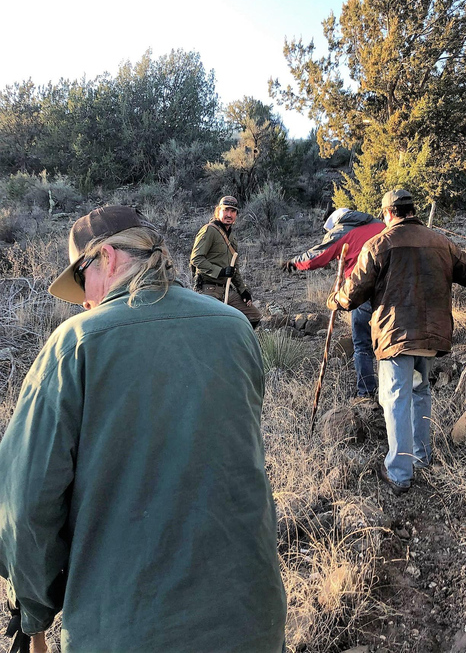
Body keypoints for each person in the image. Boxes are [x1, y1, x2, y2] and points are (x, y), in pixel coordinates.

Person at [0, 205, 286, 653]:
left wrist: (33, 613)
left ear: (108, 258)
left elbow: (24, 505)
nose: (84, 300)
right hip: (253, 621)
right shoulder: (235, 328)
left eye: (81, 279)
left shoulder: (75, 344)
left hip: (125, 631)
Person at [327, 189, 466, 496]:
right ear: (412, 210)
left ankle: (400, 473)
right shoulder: (441, 241)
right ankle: (422, 456)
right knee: (420, 391)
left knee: (396, 398)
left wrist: (334, 299)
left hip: (395, 335)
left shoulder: (379, 244)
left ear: (388, 213)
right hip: (430, 336)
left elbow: (352, 295)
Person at [281, 207, 385, 397]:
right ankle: (392, 392)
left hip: (363, 291)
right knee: (389, 340)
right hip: (393, 289)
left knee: (362, 345)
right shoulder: (380, 225)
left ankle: (367, 393)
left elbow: (317, 256)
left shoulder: (342, 231)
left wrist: (295, 262)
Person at [190, 196, 262, 328]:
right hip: (208, 289)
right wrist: (220, 272)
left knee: (254, 316)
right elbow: (196, 259)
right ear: (218, 211)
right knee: (212, 326)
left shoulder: (232, 238)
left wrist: (242, 290)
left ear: (236, 214)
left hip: (227, 290)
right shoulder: (209, 230)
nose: (229, 214)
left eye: (233, 211)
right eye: (226, 210)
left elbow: (234, 268)